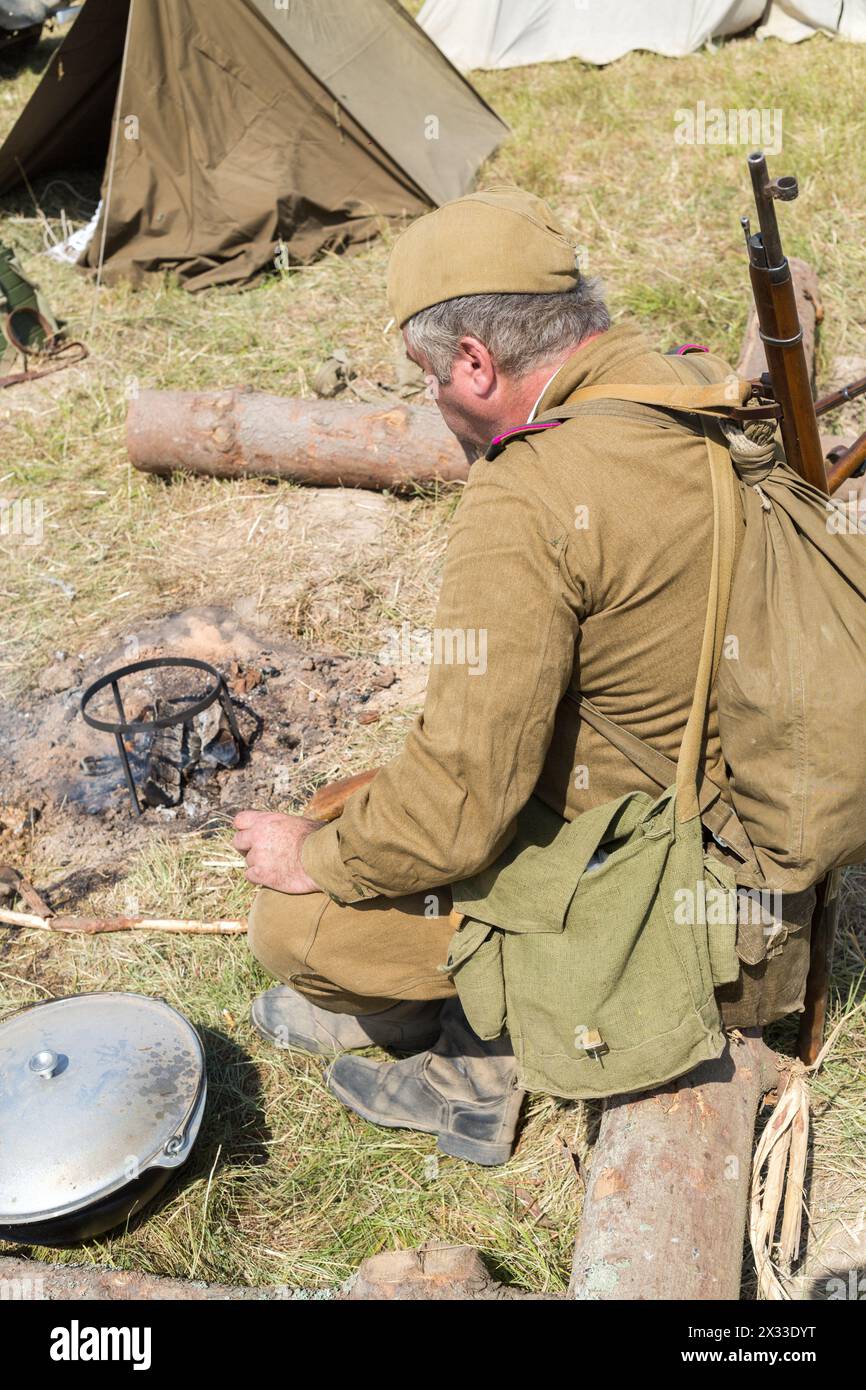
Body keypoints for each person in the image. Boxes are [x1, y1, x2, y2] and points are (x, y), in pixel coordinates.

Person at [233, 187, 811, 1166]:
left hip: (678, 906)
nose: (430, 399)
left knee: (295, 928)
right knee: (367, 801)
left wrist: (312, 860)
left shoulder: (526, 498)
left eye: (428, 376)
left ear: (475, 362)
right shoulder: (680, 382)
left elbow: (457, 810)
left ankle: (475, 1059)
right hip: (756, 837)